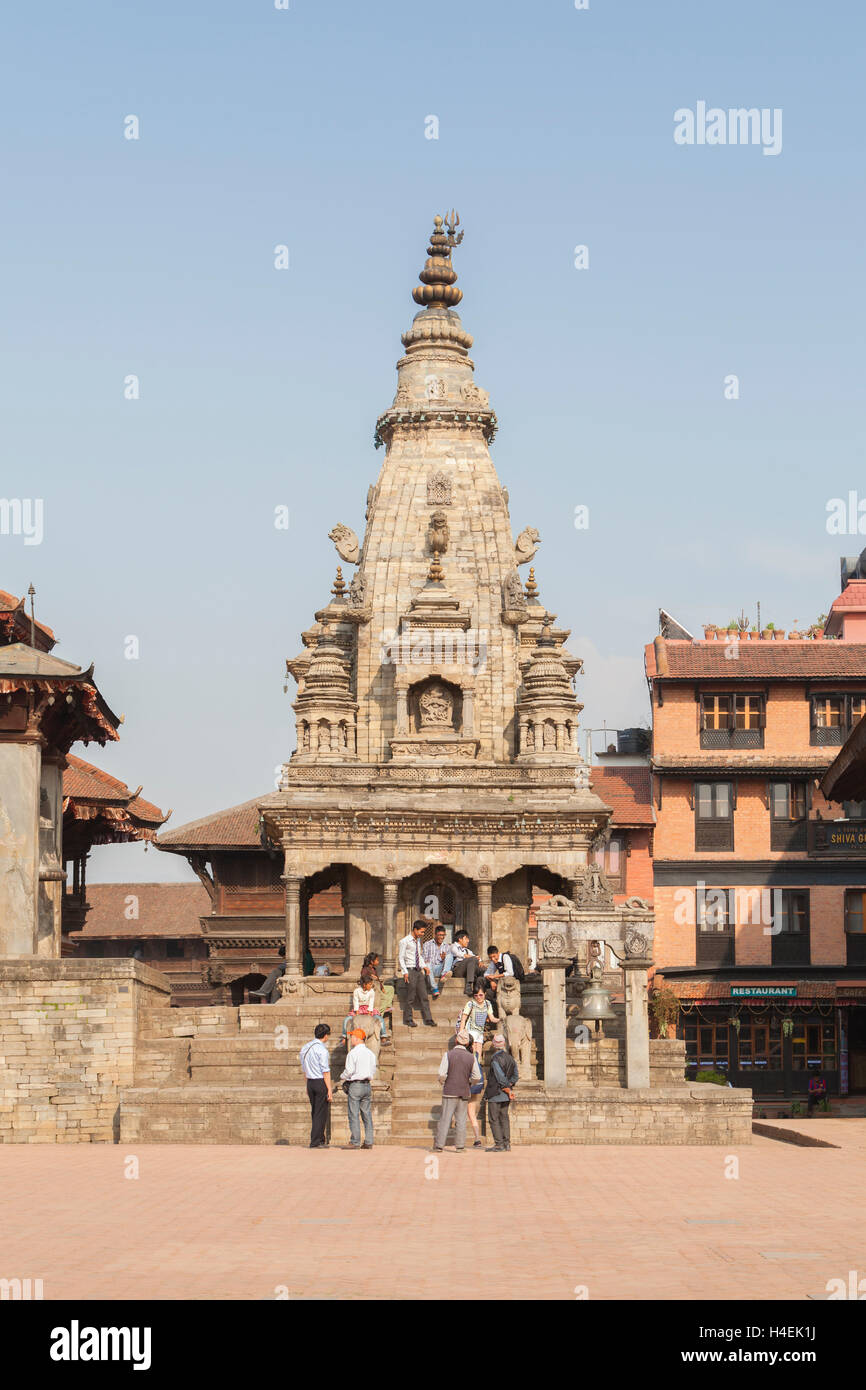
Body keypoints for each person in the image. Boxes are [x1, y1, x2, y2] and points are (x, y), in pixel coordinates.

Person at [433, 1031, 482, 1152]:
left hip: (450, 1090)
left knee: (445, 1119)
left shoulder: (448, 1055)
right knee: (461, 1120)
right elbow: (477, 1076)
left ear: (456, 1041)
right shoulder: (471, 1057)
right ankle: (460, 1146)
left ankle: (439, 1145)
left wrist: (443, 1082)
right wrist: (470, 1082)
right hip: (464, 1091)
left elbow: (441, 1074)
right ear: (467, 1043)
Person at [339, 1027, 377, 1149]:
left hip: (355, 1085)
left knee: (353, 1114)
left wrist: (342, 1076)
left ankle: (355, 1141)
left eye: (352, 1037)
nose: (351, 1039)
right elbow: (373, 1070)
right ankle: (369, 1141)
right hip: (367, 1085)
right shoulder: (371, 1053)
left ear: (356, 1038)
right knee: (366, 1114)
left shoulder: (353, 1053)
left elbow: (349, 1070)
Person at [299, 1023, 332, 1148]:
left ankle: (320, 1138)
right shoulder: (321, 1050)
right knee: (320, 1112)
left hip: (310, 1082)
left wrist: (307, 1085)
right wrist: (329, 1089)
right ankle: (315, 1141)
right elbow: (325, 1071)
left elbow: (304, 1069)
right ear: (325, 1035)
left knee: (315, 1111)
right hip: (319, 1082)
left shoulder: (305, 1048)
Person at [398, 919, 435, 1027]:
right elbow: (401, 958)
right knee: (410, 996)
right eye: (421, 932)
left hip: (419, 971)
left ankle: (428, 1019)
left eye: (423, 932)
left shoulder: (418, 941)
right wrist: (404, 972)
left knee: (424, 995)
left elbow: (419, 955)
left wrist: (425, 967)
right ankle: (408, 1019)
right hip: (410, 970)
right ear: (415, 929)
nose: (422, 934)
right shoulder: (404, 941)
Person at [485, 1032, 518, 1151]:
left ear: (494, 1044)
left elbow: (500, 1077)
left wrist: (506, 1086)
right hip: (505, 1095)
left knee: (494, 1118)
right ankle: (507, 1143)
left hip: (496, 1092)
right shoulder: (511, 1058)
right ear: (504, 1044)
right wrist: (510, 1085)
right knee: (504, 1118)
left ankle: (499, 1144)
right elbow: (515, 1076)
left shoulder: (495, 1059)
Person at [460, 983, 500, 1061]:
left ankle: (477, 1070)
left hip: (480, 1032)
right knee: (473, 1054)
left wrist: (501, 1019)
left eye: (481, 995)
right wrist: (461, 1033)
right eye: (476, 995)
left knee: (478, 1055)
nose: (478, 997)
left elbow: (492, 1018)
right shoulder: (470, 1004)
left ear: (485, 994)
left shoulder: (487, 1004)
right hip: (471, 1031)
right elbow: (463, 1019)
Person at [339, 974, 382, 1046]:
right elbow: (355, 1001)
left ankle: (383, 1036)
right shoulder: (357, 991)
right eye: (370, 984)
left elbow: (371, 1001)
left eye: (371, 984)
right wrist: (357, 1011)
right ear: (364, 985)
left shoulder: (371, 991)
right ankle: (344, 1037)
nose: (371, 986)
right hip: (359, 1009)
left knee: (380, 1019)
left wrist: (370, 1011)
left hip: (368, 1009)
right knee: (346, 1020)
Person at [448, 929, 481, 997]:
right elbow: (457, 953)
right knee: (472, 959)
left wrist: (480, 961)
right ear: (460, 939)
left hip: (467, 970)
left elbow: (476, 957)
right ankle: (468, 985)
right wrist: (469, 957)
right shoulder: (453, 946)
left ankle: (481, 987)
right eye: (466, 938)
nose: (468, 941)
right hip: (457, 969)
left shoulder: (467, 950)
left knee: (482, 968)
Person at [422, 924, 450, 998]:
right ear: (435, 934)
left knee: (449, 956)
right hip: (430, 970)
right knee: (427, 964)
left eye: (443, 935)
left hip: (440, 969)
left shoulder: (447, 946)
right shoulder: (427, 944)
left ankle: (444, 974)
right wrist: (427, 963)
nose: (442, 937)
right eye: (440, 935)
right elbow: (424, 960)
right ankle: (434, 988)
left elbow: (448, 962)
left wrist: (444, 959)